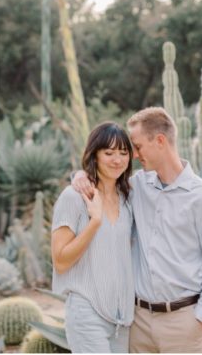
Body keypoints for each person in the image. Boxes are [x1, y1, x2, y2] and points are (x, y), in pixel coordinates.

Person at [72, 107, 202, 353]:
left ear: (160, 141)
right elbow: (103, 180)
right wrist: (80, 174)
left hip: (184, 323)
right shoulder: (136, 187)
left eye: (137, 147)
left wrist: (200, 319)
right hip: (139, 324)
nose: (133, 156)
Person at [51, 122, 135, 353]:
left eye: (123, 153)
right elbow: (60, 261)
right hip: (88, 312)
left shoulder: (129, 198)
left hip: (122, 319)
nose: (117, 159)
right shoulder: (74, 198)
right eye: (108, 153)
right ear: (94, 155)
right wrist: (94, 222)